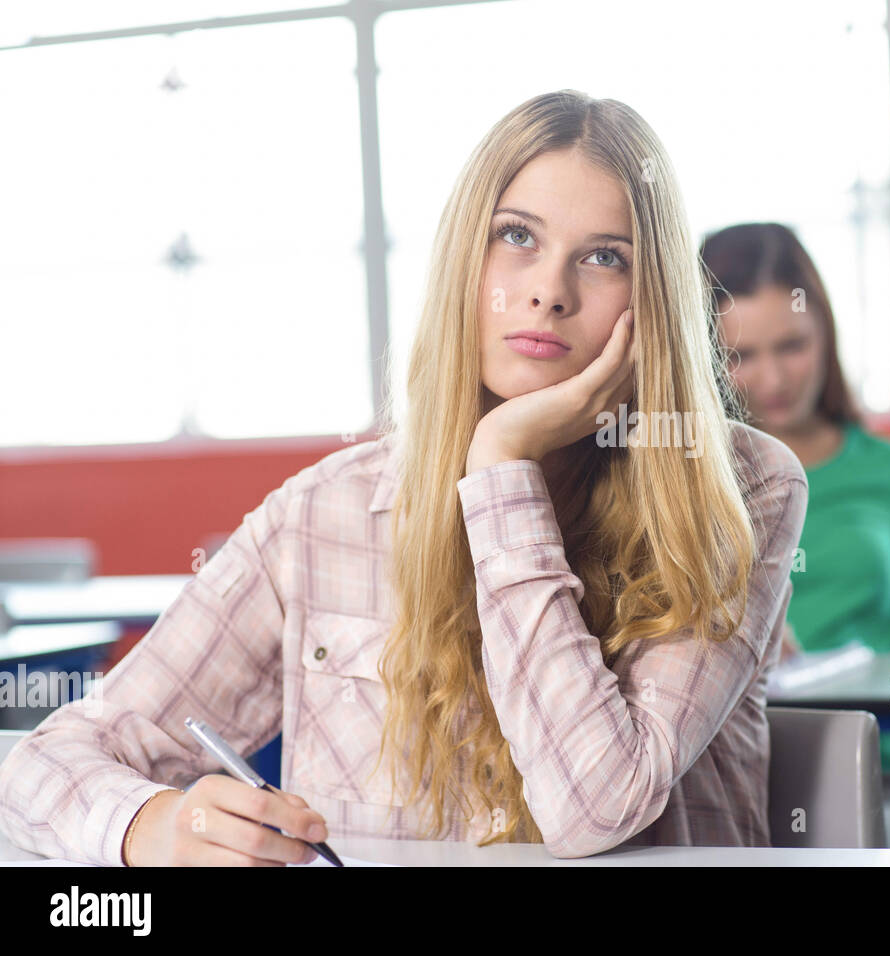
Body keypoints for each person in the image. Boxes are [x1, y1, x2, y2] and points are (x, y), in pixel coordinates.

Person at [0, 90, 809, 866]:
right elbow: (41, 764)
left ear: (655, 298)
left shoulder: (742, 486)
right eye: (516, 236)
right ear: (464, 256)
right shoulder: (323, 513)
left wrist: (500, 468)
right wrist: (152, 823)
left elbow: (593, 808)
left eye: (604, 258)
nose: (547, 292)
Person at [700, 222, 890, 848]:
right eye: (740, 356)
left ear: (825, 335)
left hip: (885, 772)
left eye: (790, 346)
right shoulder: (675, 484)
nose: (772, 378)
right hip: (723, 781)